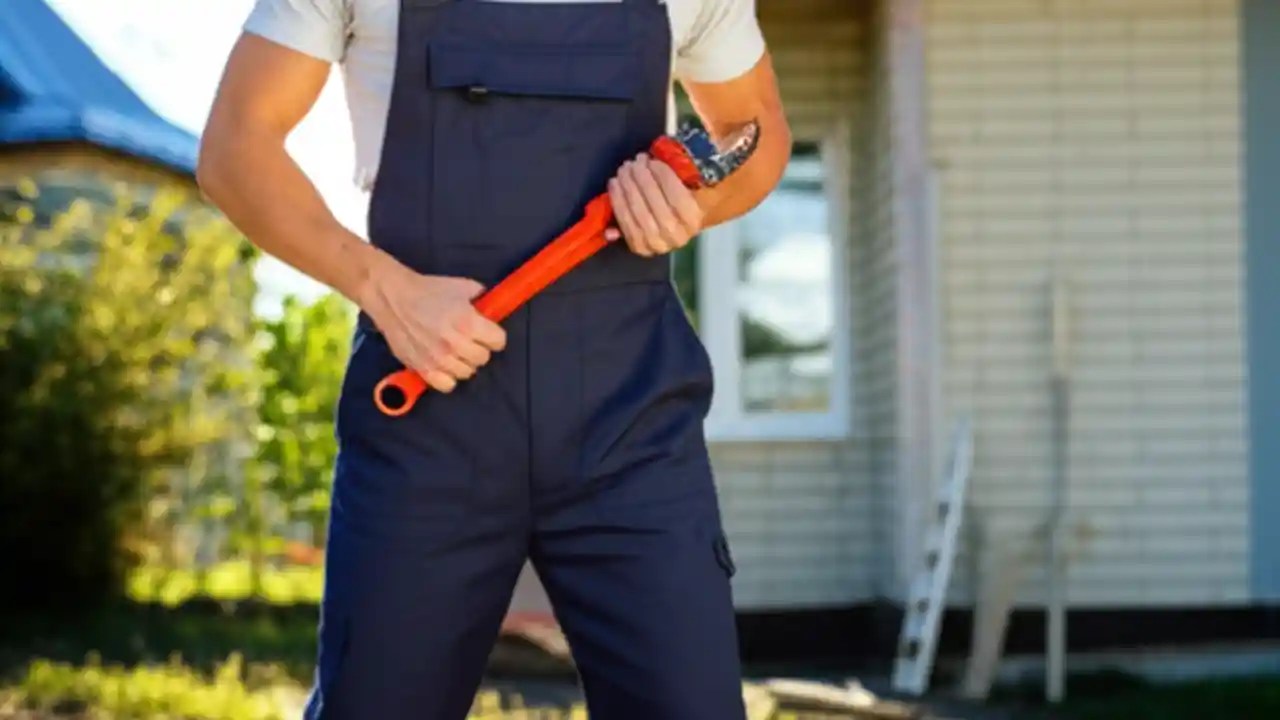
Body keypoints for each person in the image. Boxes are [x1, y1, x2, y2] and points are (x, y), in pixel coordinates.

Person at [198, 0, 790, 717]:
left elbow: (756, 132)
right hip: (427, 413)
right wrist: (385, 290)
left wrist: (693, 204)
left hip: (630, 423)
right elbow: (237, 144)